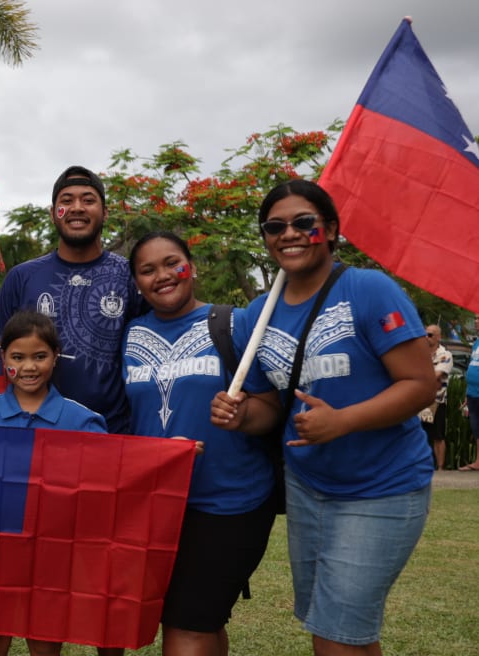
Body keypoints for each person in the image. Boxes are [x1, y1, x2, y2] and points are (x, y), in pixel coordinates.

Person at [211, 179, 434, 656]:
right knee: (337, 628)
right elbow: (269, 409)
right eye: (275, 227)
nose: (289, 234)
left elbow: (420, 384)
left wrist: (345, 421)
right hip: (310, 489)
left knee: (337, 633)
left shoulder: (368, 289)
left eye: (304, 223)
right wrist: (240, 413)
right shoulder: (257, 316)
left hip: (383, 485)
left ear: (330, 231)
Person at [123, 231, 275, 656]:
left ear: (192, 266)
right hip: (159, 507)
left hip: (230, 502)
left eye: (173, 263)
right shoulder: (129, 335)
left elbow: (271, 409)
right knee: (201, 619)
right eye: (147, 270)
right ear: (136, 283)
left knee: (186, 625)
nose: (163, 275)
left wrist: (243, 415)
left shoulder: (235, 323)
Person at [0, 310, 105, 656]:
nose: (29, 367)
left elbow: (114, 473)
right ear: (2, 357)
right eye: (17, 357)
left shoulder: (83, 421)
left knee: (45, 638)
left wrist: (176, 454)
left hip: (54, 551)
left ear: (55, 357)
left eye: (40, 356)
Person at [0, 165, 147, 434]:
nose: (77, 207)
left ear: (105, 212)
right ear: (53, 214)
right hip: (31, 434)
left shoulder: (129, 276)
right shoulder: (21, 278)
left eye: (88, 200)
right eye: (66, 201)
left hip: (111, 434)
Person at [419, 325, 452, 470]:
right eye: (425, 334)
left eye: (430, 335)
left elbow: (438, 375)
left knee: (438, 435)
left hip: (437, 400)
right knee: (421, 435)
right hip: (420, 401)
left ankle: (440, 468)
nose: (426, 337)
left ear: (438, 337)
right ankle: (422, 466)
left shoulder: (445, 355)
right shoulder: (420, 354)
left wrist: (421, 377)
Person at [459, 340, 479, 471]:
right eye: (476, 319)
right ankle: (478, 461)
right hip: (473, 392)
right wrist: (467, 392)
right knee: (476, 427)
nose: (476, 321)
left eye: (478, 319)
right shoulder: (476, 343)